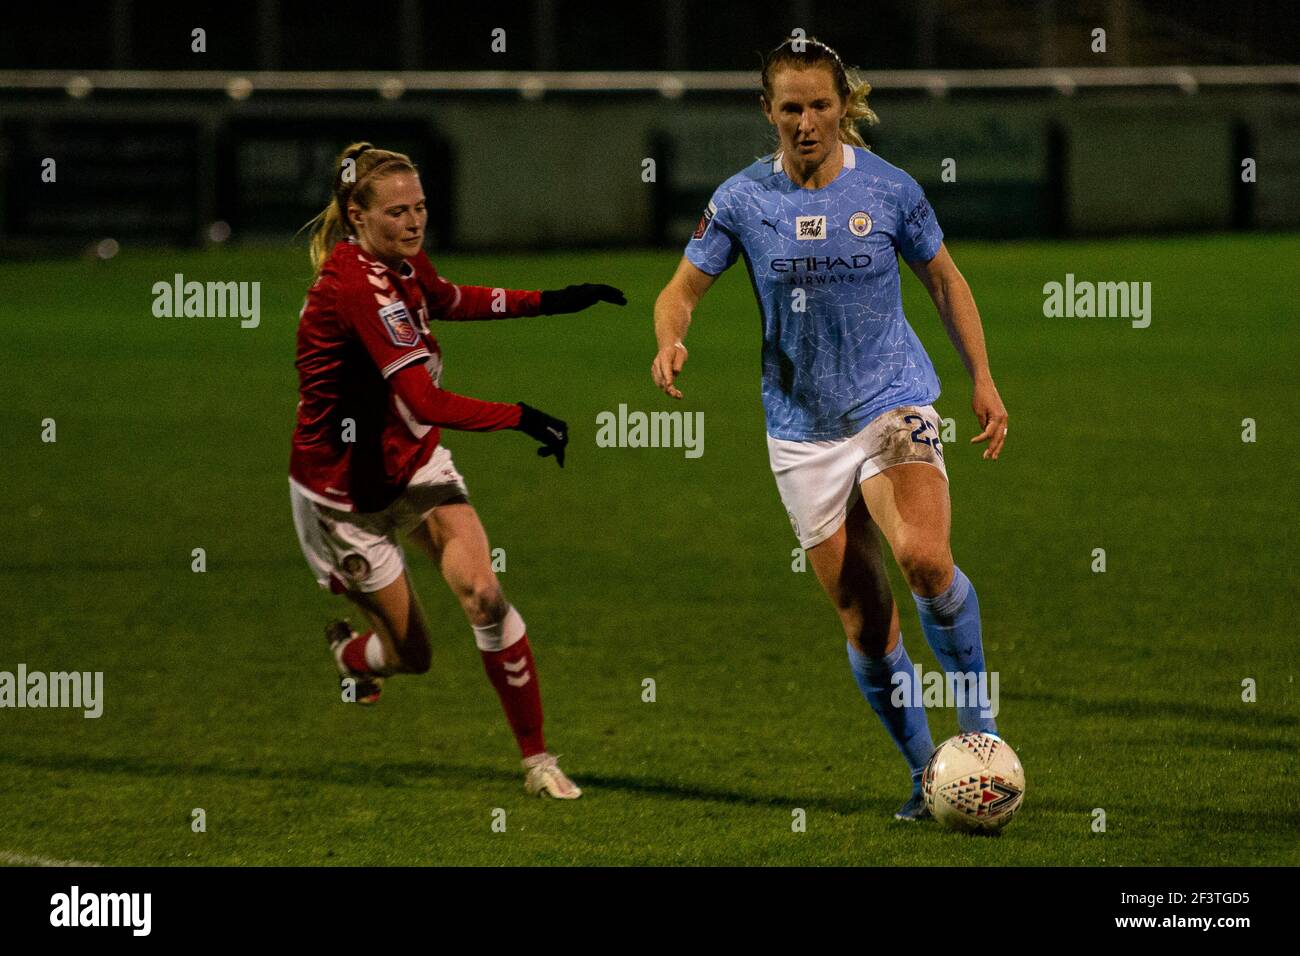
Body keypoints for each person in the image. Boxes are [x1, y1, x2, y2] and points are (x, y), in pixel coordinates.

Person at [650, 39, 1009, 820]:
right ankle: (926, 777)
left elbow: (944, 280)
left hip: (892, 400)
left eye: (819, 105)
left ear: (843, 104)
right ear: (767, 111)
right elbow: (680, 289)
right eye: (791, 108)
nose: (806, 122)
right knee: (867, 623)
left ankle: (981, 745)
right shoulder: (743, 198)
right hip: (801, 429)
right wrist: (670, 336)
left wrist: (981, 377)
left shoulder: (889, 190)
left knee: (923, 557)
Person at [291, 142, 625, 799]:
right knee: (413, 655)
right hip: (344, 494)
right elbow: (425, 400)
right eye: (397, 213)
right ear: (357, 216)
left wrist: (551, 301)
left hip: (413, 462)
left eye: (419, 208)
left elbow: (451, 298)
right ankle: (351, 656)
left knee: (484, 594)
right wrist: (525, 415)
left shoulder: (400, 265)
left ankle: (537, 762)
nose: (414, 223)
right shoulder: (358, 285)